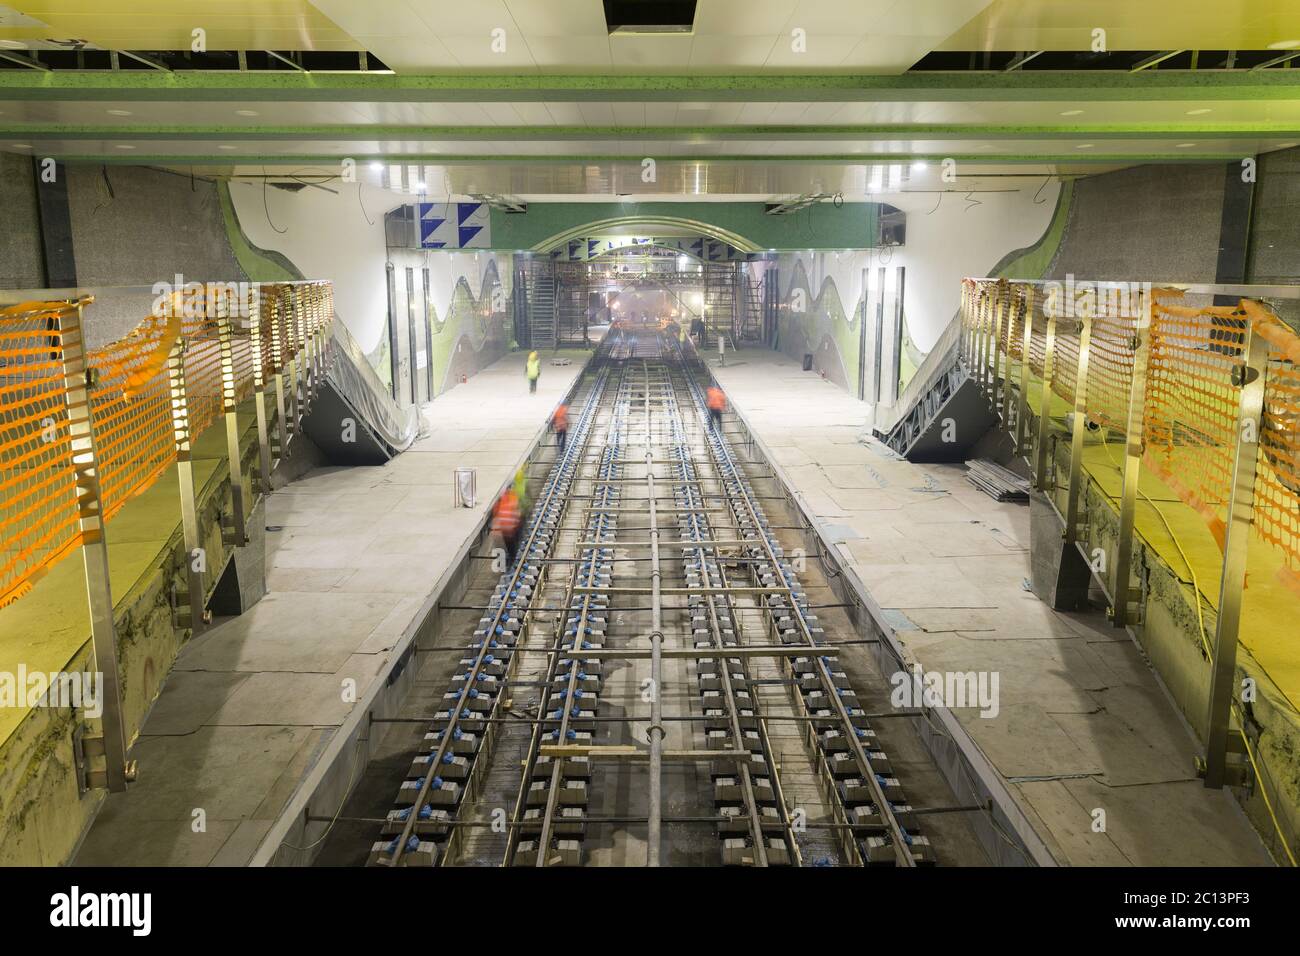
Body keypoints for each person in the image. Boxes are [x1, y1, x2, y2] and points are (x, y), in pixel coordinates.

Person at [492, 488, 522, 567]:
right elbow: (517, 514)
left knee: (508, 547)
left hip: (504, 530)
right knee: (512, 547)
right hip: (511, 529)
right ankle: (513, 562)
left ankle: (509, 562)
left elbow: (495, 513)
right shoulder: (513, 499)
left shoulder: (501, 502)